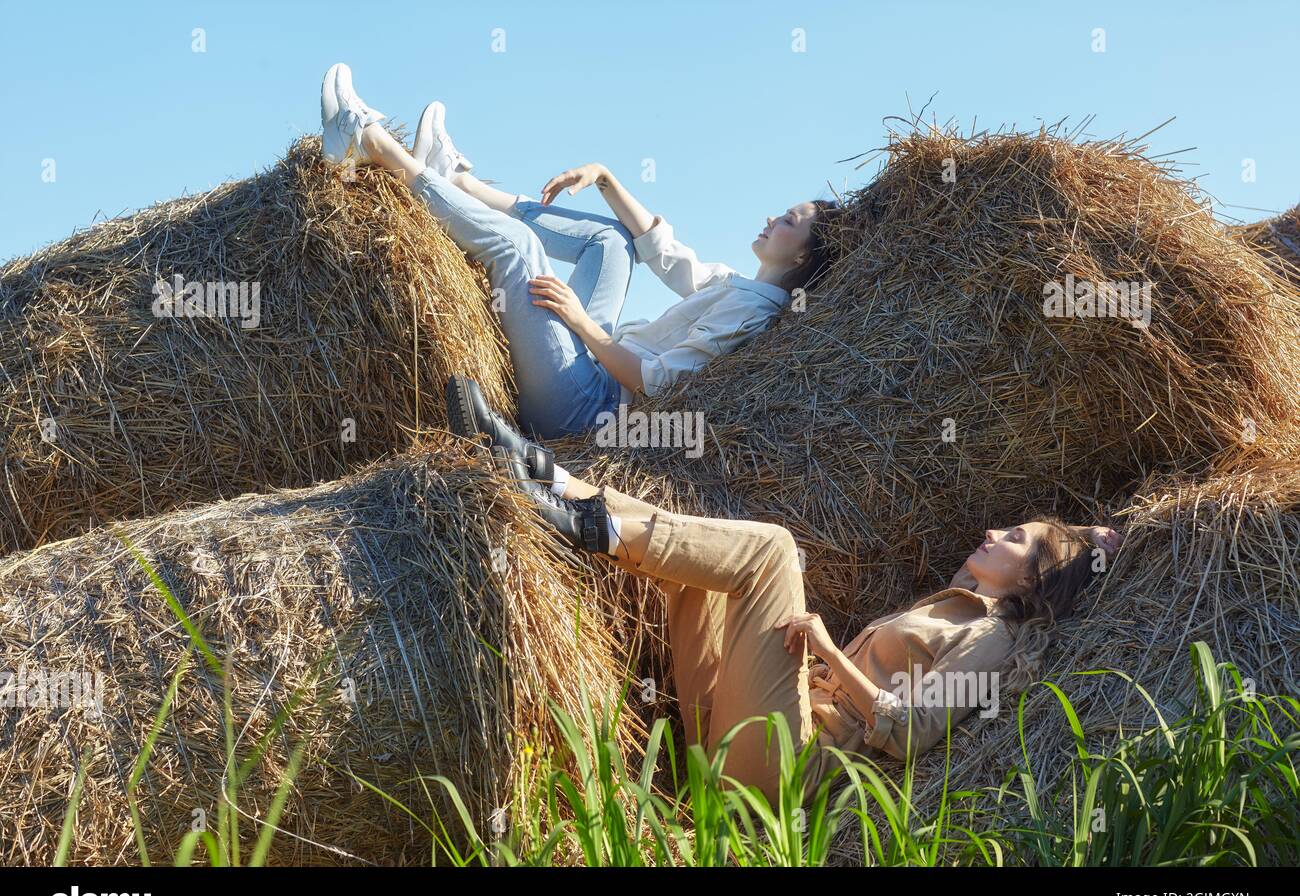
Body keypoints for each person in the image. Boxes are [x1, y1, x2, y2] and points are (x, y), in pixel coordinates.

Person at [445, 375, 1123, 803]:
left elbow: (911, 732)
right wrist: (1092, 535)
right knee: (696, 570)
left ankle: (576, 517)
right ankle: (542, 474)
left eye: (1015, 538)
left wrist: (828, 650)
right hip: (735, 733)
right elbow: (1086, 547)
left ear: (1033, 578)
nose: (994, 530)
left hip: (784, 771)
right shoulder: (954, 603)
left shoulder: (993, 639)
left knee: (771, 548)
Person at [319, 63, 840, 438]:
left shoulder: (753, 313)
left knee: (518, 248)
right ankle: (461, 183)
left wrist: (581, 322)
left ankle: (373, 145)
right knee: (611, 241)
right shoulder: (738, 285)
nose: (773, 219)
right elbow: (661, 251)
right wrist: (606, 177)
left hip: (585, 411)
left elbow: (655, 383)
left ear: (800, 259)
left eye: (789, 220)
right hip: (592, 372)